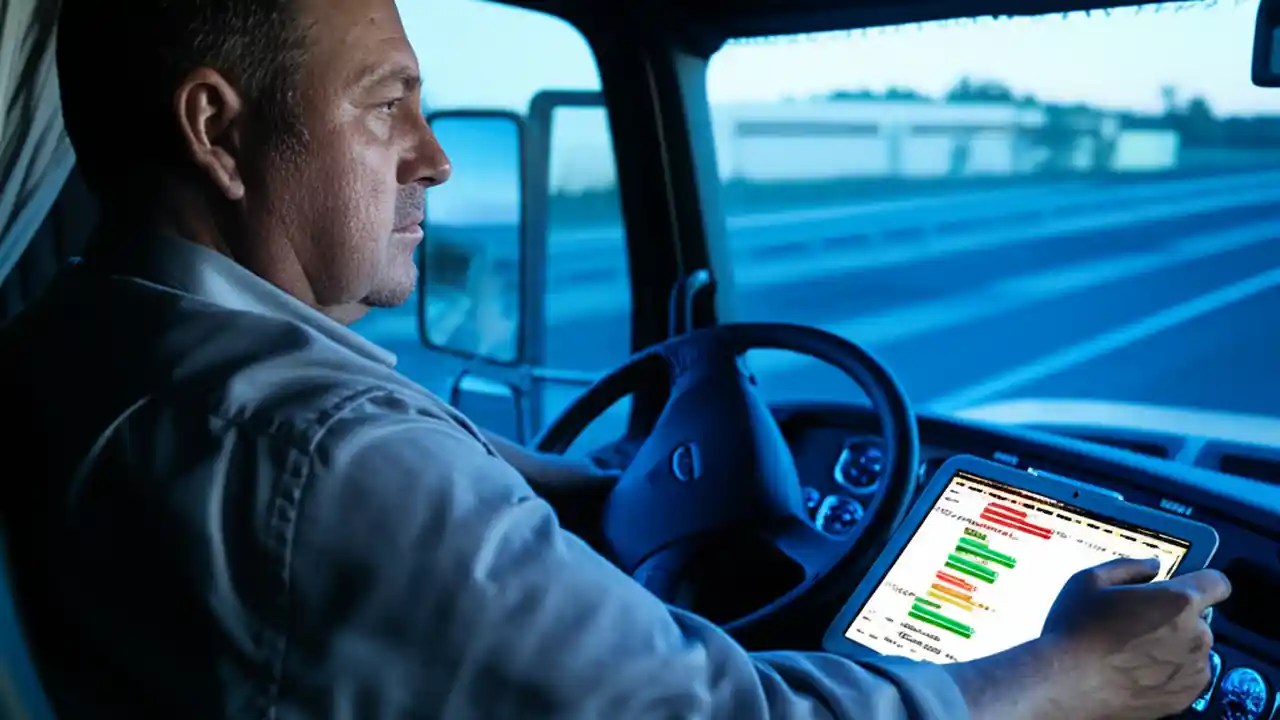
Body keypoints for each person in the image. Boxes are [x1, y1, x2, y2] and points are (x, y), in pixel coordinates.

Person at [0, 0, 1230, 718]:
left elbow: (395, 465)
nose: (434, 157)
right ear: (218, 132)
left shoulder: (93, 331)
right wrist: (1056, 676)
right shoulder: (314, 456)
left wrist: (581, 490)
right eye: (385, 106)